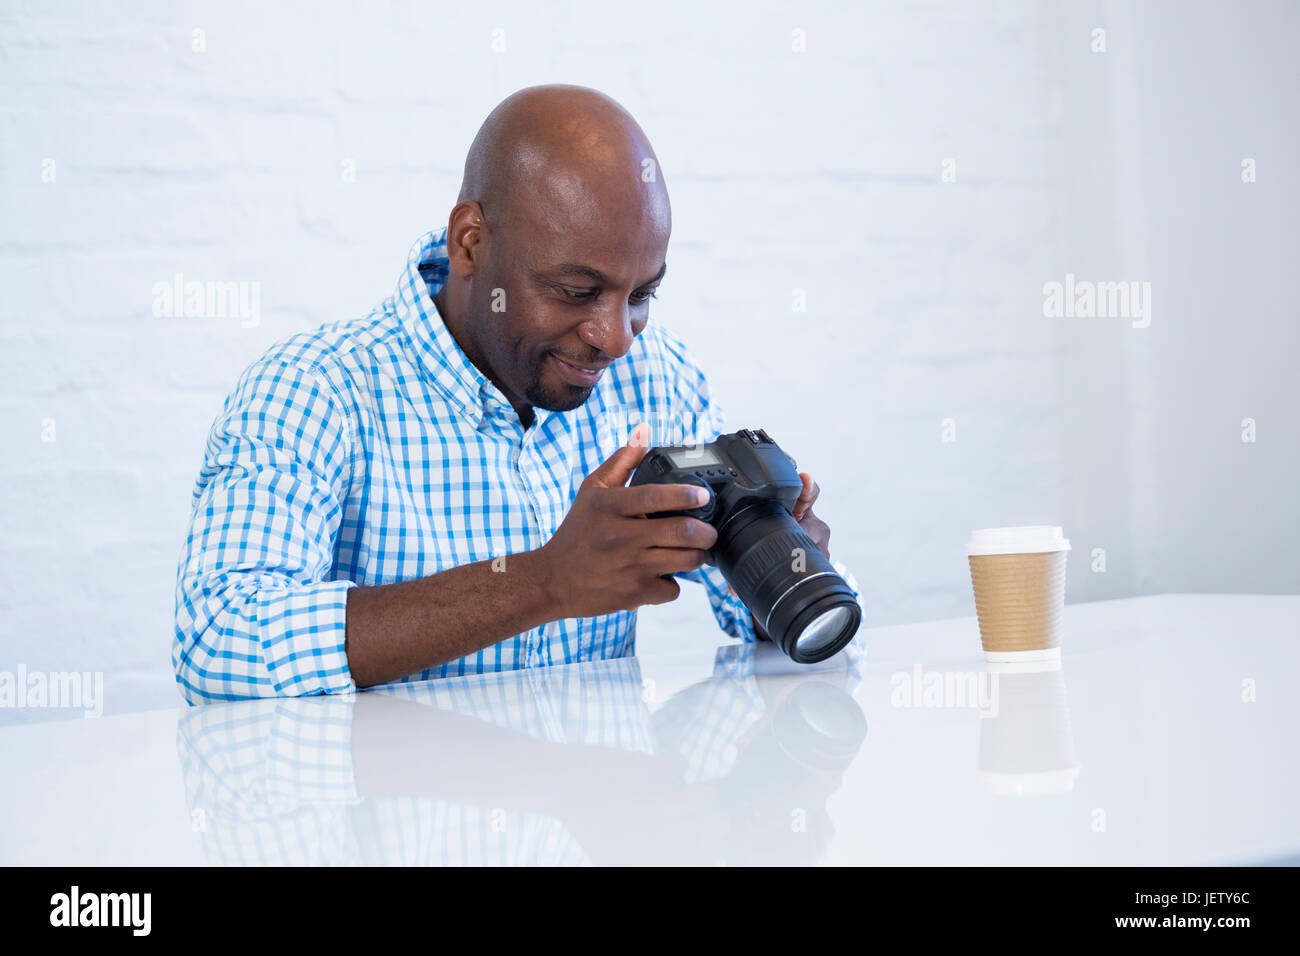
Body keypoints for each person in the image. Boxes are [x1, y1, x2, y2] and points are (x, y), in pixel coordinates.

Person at [174, 84, 852, 703]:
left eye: (642, 294)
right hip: (392, 825)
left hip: (605, 825)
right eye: (576, 292)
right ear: (470, 243)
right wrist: (543, 581)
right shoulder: (315, 392)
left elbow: (778, 631)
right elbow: (221, 642)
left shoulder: (656, 377)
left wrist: (785, 555)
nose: (616, 339)